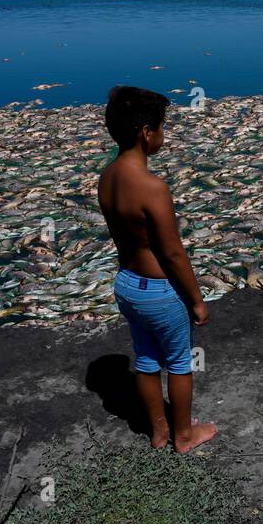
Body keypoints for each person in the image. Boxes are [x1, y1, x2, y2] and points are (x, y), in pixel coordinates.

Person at [98, 86, 217, 452]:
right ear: (146, 132)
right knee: (180, 362)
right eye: (162, 127)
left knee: (147, 360)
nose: (164, 134)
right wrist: (196, 300)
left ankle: (159, 431)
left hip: (128, 285)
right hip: (161, 291)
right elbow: (173, 254)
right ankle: (184, 436)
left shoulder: (107, 177)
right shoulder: (152, 188)